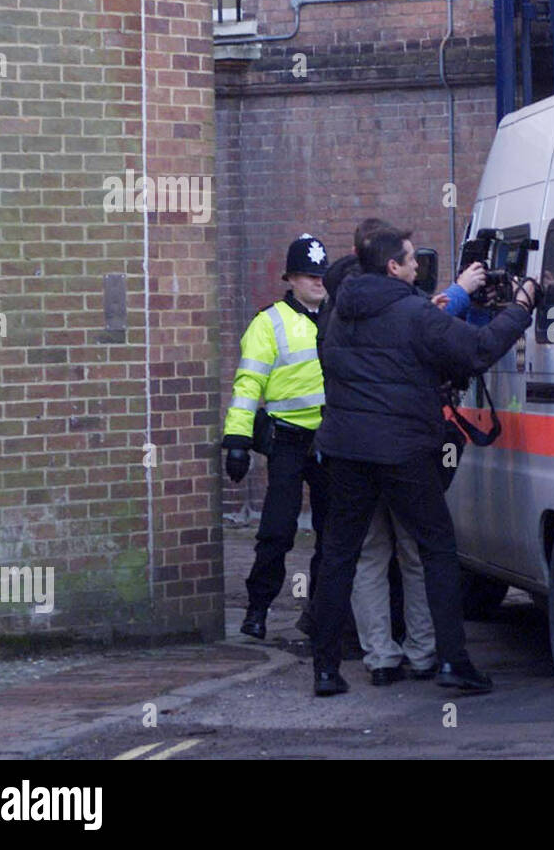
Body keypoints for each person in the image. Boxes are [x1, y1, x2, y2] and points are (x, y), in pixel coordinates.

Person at [311, 223, 537, 696]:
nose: (418, 267)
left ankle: (326, 670)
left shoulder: (338, 312)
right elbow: (476, 351)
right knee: (435, 549)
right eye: (412, 259)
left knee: (340, 556)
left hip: (346, 450)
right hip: (404, 450)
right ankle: (452, 661)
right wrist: (520, 308)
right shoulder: (414, 313)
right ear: (393, 266)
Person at [223, 234, 331, 640]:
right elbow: (248, 384)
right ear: (290, 278)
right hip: (287, 440)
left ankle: (320, 611)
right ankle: (258, 609)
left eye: (322, 275)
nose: (317, 283)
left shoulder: (340, 317)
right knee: (276, 530)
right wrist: (236, 441)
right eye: (308, 276)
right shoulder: (267, 323)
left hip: (331, 441)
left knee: (331, 530)